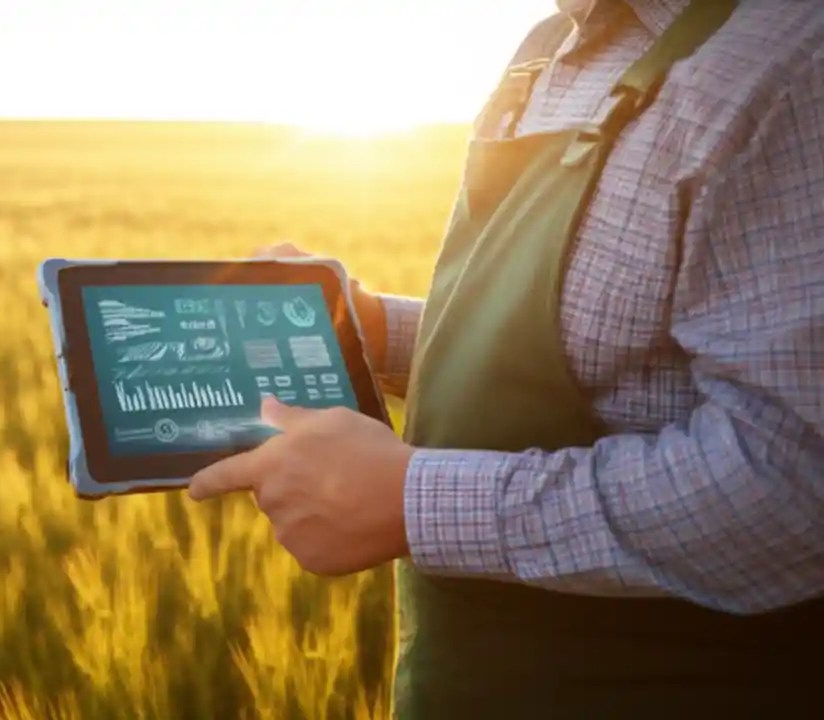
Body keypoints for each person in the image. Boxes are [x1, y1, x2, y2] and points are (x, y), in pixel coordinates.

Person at [188, 0, 824, 717]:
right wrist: (371, 333)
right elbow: (598, 352)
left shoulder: (792, 54)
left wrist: (415, 502)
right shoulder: (549, 47)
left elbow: (796, 485)